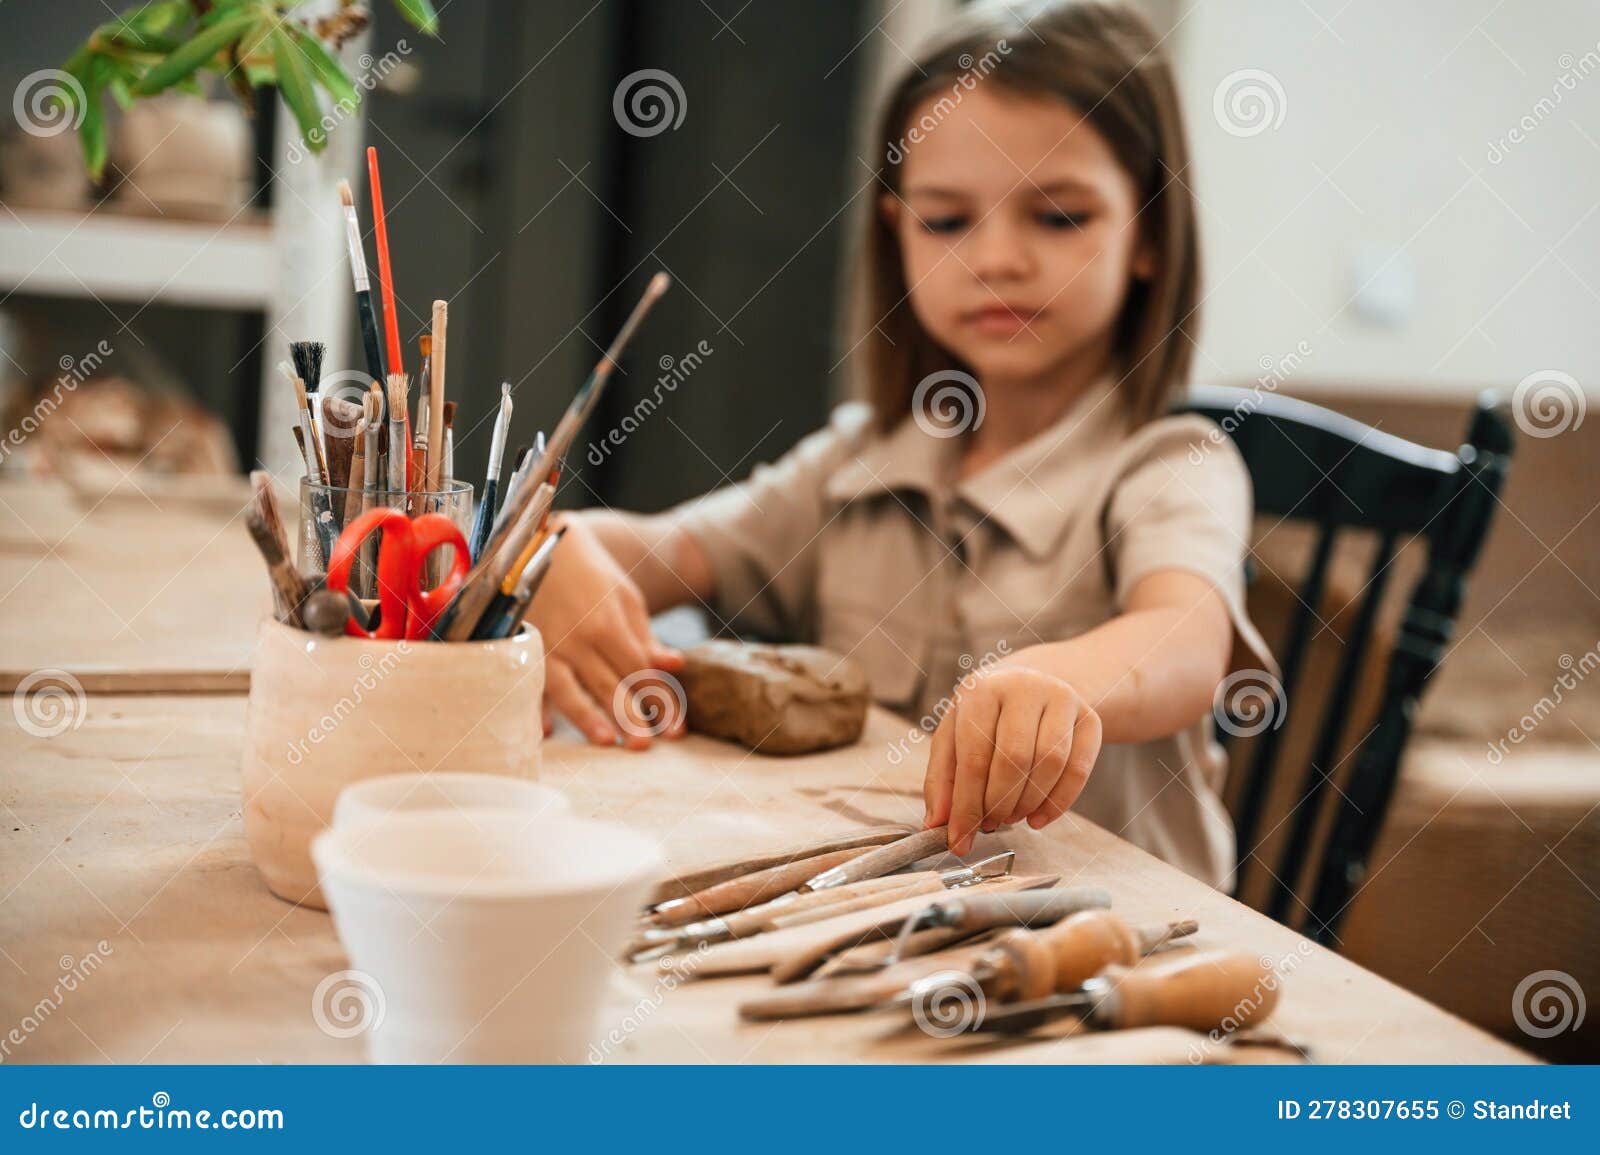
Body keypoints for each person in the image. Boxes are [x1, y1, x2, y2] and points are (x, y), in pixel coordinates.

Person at [529, 0, 1271, 890]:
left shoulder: (1173, 465)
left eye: (1058, 217)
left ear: (1149, 234)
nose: (996, 258)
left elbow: (1185, 643)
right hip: (889, 911)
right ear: (896, 231)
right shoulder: (854, 462)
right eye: (947, 221)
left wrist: (1057, 677)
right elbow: (664, 550)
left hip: (1117, 939)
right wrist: (557, 550)